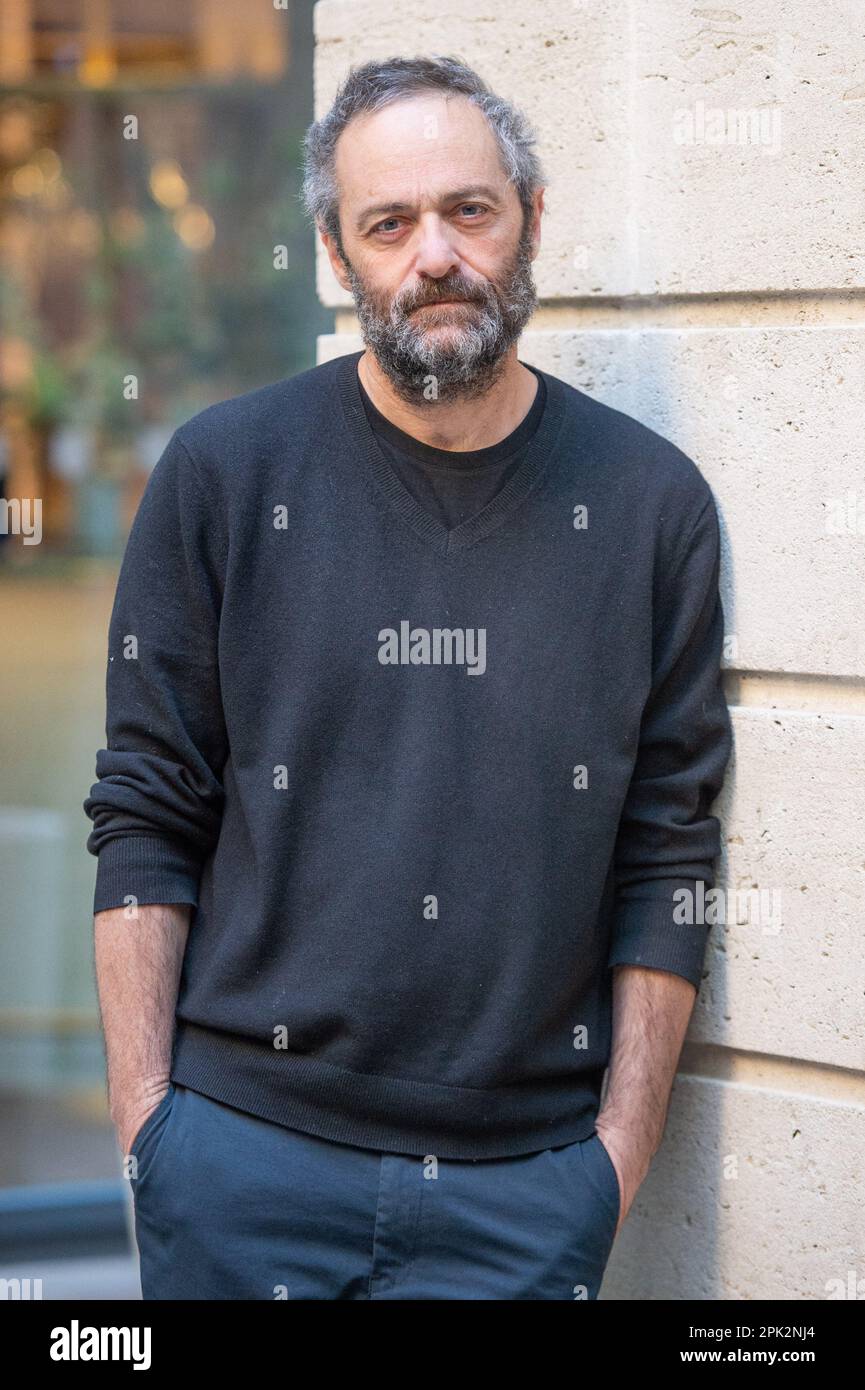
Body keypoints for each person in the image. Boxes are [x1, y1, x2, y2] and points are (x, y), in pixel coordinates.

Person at [83, 54, 733, 1301]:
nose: (433, 254)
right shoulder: (223, 476)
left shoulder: (651, 507)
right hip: (239, 1168)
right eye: (389, 223)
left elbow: (667, 847)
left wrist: (613, 1158)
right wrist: (151, 1128)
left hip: (524, 1191)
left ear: (531, 218)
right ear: (337, 253)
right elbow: (148, 808)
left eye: (468, 210)